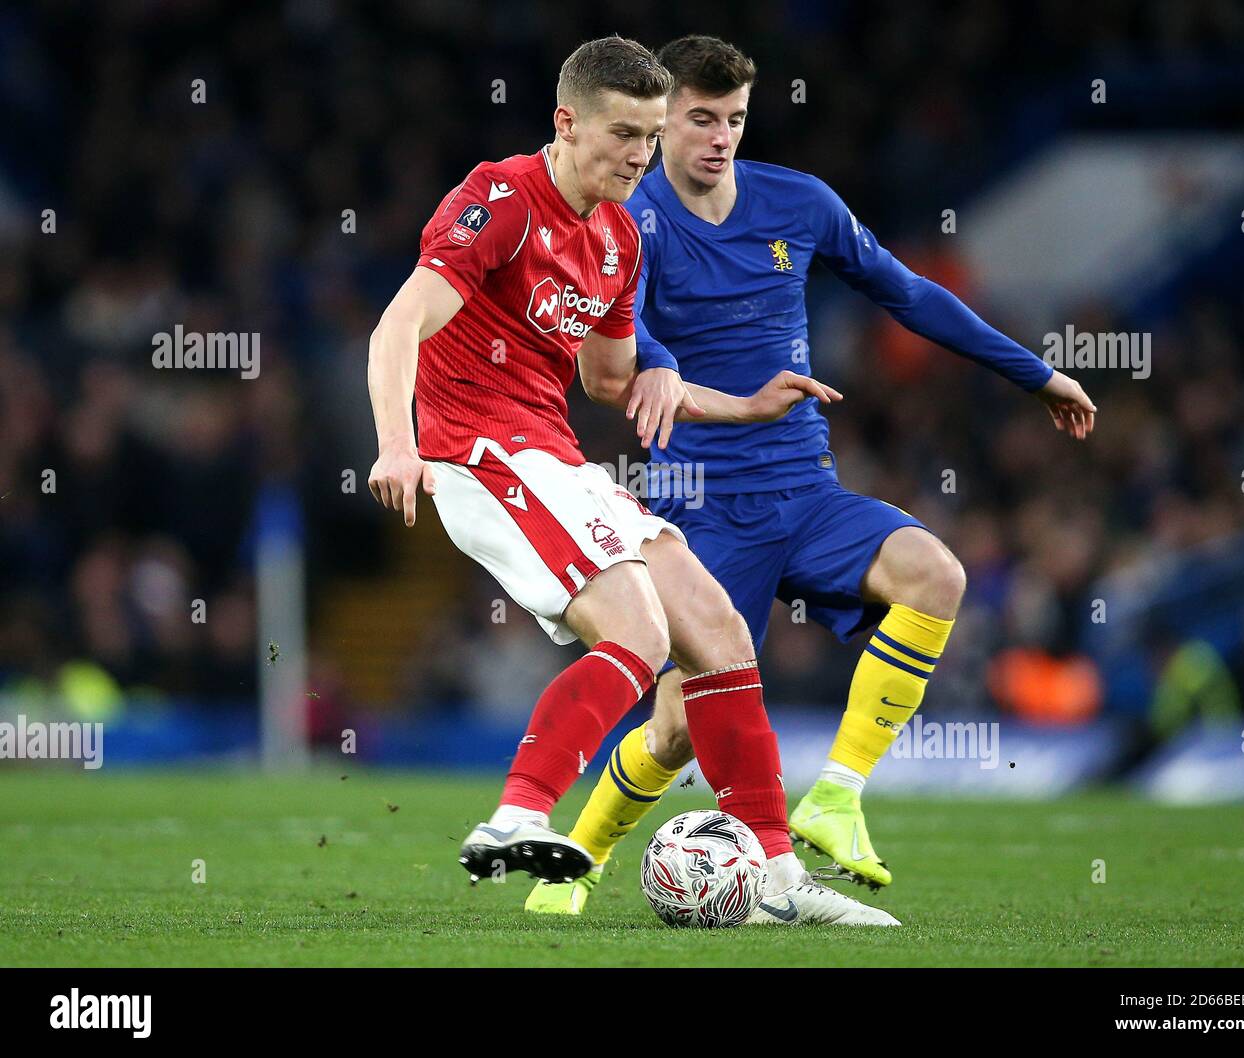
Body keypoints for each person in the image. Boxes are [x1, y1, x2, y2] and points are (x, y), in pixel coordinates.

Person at [527, 35, 1096, 916]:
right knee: (674, 730)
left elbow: (907, 292)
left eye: (736, 119)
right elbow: (629, 340)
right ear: (661, 120)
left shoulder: (799, 202)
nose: (720, 137)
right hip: (702, 510)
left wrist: (1037, 372)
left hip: (808, 490)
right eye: (701, 118)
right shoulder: (628, 221)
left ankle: (835, 797)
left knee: (935, 574)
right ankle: (583, 856)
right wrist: (669, 365)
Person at [366, 35, 896, 925]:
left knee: (718, 631)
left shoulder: (615, 240)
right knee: (639, 632)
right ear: (566, 123)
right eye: (623, 135)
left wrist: (742, 405)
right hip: (478, 452)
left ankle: (777, 878)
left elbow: (613, 382)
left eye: (651, 137)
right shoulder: (502, 200)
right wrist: (394, 445)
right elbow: (398, 326)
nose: (639, 157)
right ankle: (515, 818)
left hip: (554, 457)